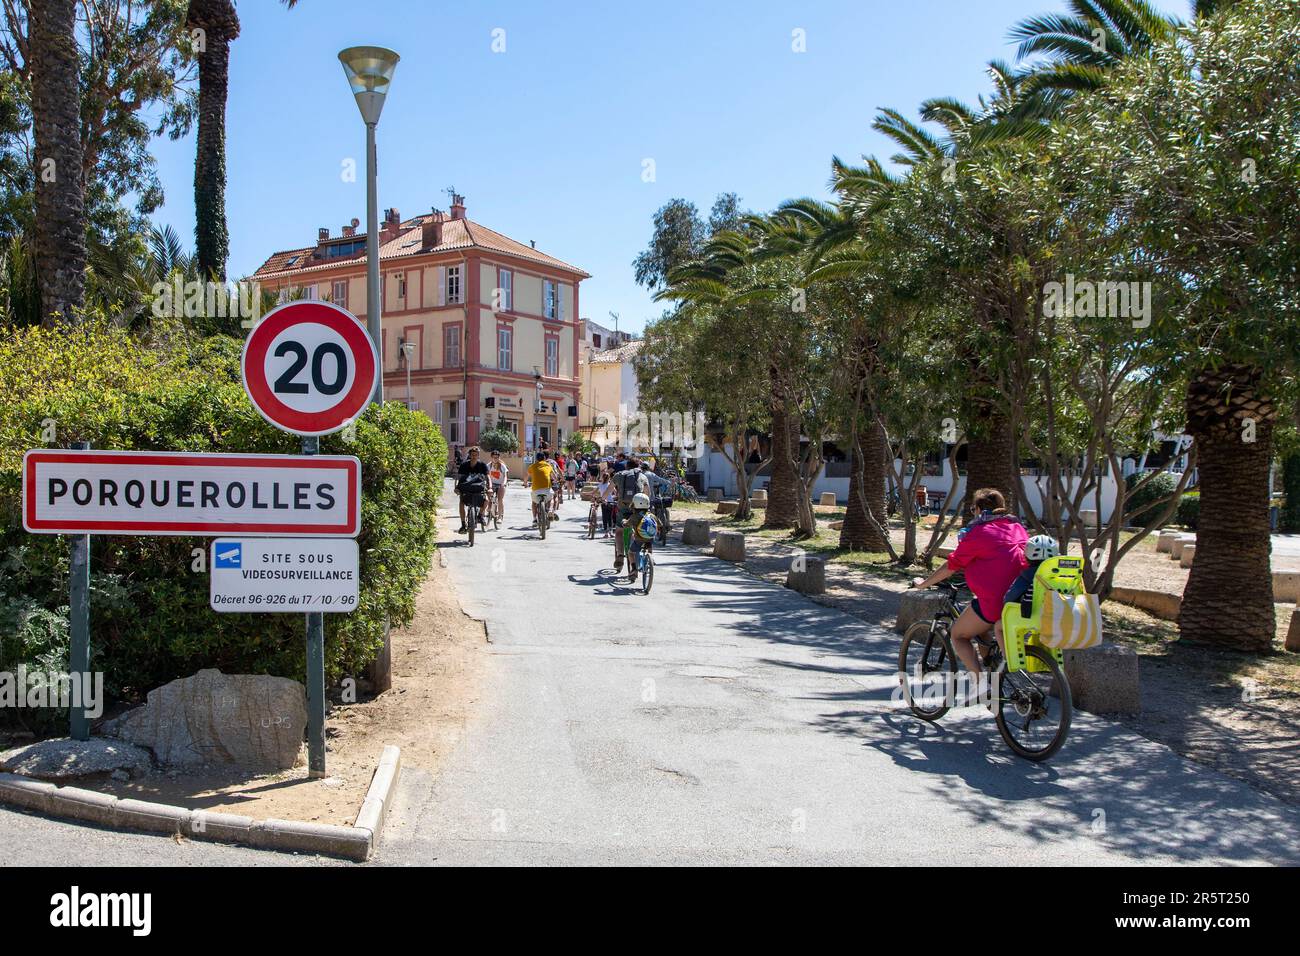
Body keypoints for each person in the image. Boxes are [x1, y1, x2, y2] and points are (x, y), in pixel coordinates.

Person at [909, 488, 1027, 676]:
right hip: (1020, 599)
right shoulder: (1017, 527)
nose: (973, 513)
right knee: (979, 628)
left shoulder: (979, 532)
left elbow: (951, 566)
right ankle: (992, 670)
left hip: (995, 601)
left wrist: (923, 584)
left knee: (958, 635)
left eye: (973, 509)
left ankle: (980, 683)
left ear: (979, 510)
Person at [993, 533, 1060, 646]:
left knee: (998, 627)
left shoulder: (1026, 576)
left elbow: (1009, 598)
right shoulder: (1059, 576)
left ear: (1026, 556)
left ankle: (1006, 656)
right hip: (1058, 618)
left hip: (1033, 618)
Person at [610, 461, 643, 572]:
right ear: (638, 467)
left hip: (623, 508)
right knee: (635, 531)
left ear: (626, 466)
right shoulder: (641, 476)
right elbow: (647, 493)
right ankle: (634, 565)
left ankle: (620, 554)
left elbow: (609, 489)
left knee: (619, 531)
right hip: (638, 508)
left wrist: (601, 499)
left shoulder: (619, 475)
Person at [621, 492, 658, 583]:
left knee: (630, 553)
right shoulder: (651, 515)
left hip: (639, 539)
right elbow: (659, 524)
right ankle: (650, 557)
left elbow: (627, 524)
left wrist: (624, 522)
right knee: (649, 543)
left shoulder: (634, 516)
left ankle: (634, 569)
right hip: (650, 539)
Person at [455, 446, 490, 534]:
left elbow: (488, 477)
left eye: (476, 455)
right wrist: (456, 488)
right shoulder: (464, 465)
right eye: (472, 455)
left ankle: (480, 515)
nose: (474, 456)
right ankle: (463, 525)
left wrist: (490, 488)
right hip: (466, 489)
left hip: (478, 489)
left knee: (486, 500)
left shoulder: (482, 465)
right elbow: (459, 478)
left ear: (478, 455)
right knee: (461, 503)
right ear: (469, 455)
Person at [527, 451, 555, 529]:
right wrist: (556, 481)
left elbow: (526, 475)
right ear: (544, 458)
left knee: (534, 502)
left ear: (536, 459)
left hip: (536, 490)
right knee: (551, 498)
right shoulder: (548, 465)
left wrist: (525, 483)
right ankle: (550, 510)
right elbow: (554, 476)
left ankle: (534, 519)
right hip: (546, 489)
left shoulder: (532, 466)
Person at [487, 450, 508, 522]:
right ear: (491, 457)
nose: (495, 459)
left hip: (500, 484)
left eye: (497, 457)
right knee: (489, 497)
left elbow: (505, 476)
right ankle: (489, 509)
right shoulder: (489, 465)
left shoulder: (502, 466)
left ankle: (499, 517)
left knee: (500, 500)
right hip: (491, 484)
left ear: (499, 457)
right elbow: (486, 475)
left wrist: (504, 483)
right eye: (494, 457)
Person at [597, 472, 616, 537]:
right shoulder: (610, 485)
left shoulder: (600, 485)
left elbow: (594, 492)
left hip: (603, 502)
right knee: (610, 517)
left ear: (602, 478)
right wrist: (613, 496)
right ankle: (611, 532)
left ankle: (606, 533)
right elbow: (615, 492)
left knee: (604, 517)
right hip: (610, 502)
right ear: (609, 478)